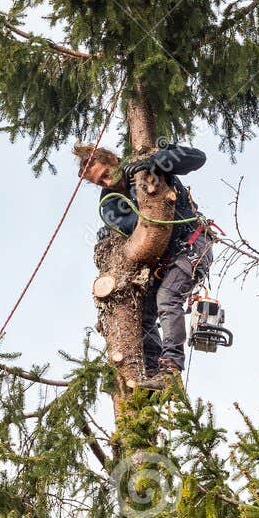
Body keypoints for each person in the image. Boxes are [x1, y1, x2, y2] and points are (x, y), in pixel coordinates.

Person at [76, 141, 213, 381]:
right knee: (143, 311)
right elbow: (133, 228)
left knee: (167, 298)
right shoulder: (109, 204)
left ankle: (170, 367)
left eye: (106, 174)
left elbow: (197, 157)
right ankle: (152, 371)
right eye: (100, 182)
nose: (107, 183)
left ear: (113, 159)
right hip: (162, 265)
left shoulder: (147, 161)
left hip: (191, 245)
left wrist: (156, 161)